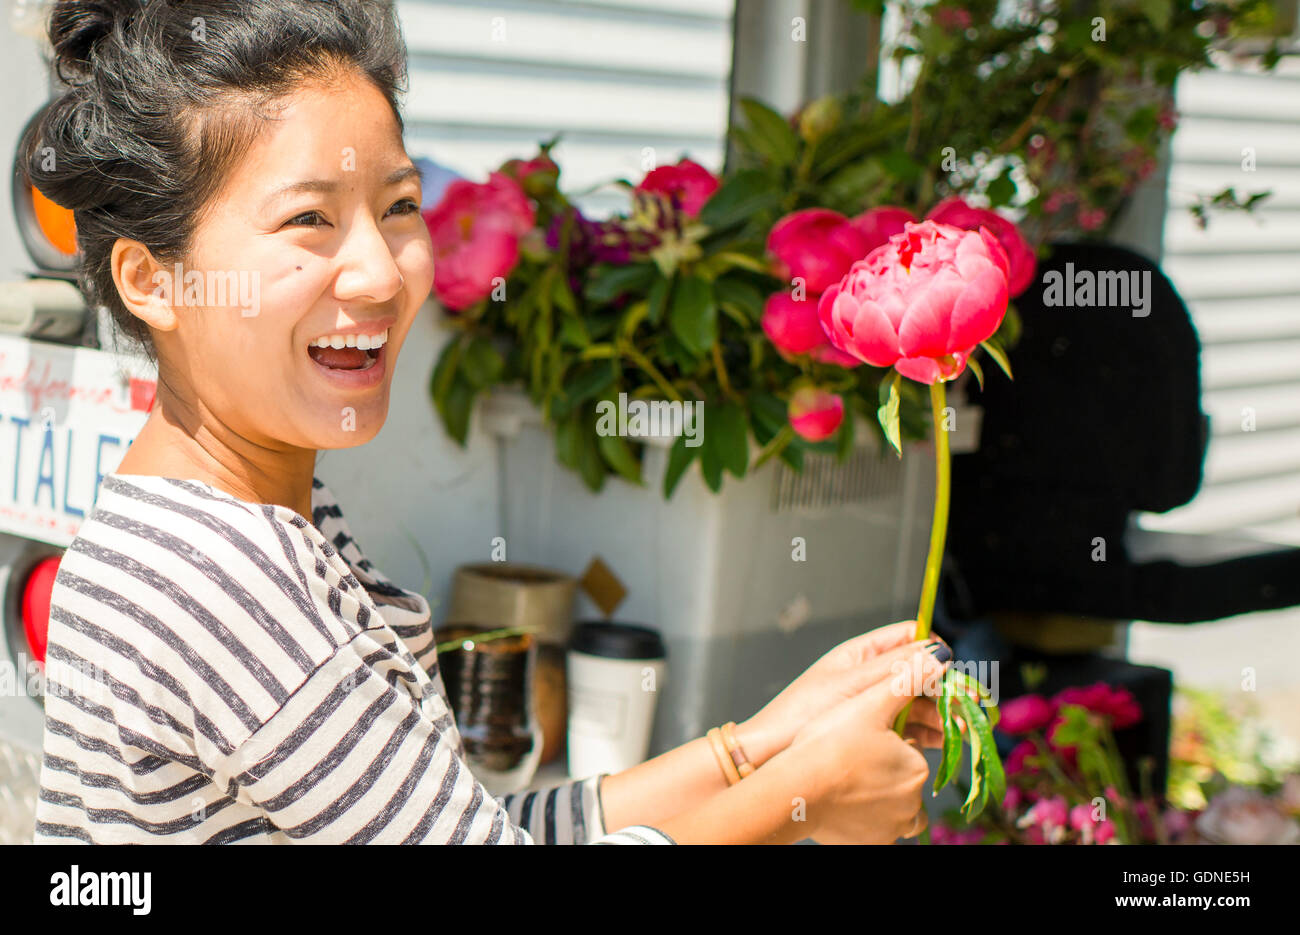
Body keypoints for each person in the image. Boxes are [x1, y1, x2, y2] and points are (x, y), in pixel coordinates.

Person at [27, 0, 951, 845]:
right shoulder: (220, 578)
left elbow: (470, 825)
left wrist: (765, 744)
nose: (383, 275)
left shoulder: (255, 518)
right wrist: (807, 799)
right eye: (309, 219)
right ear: (155, 281)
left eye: (398, 207)